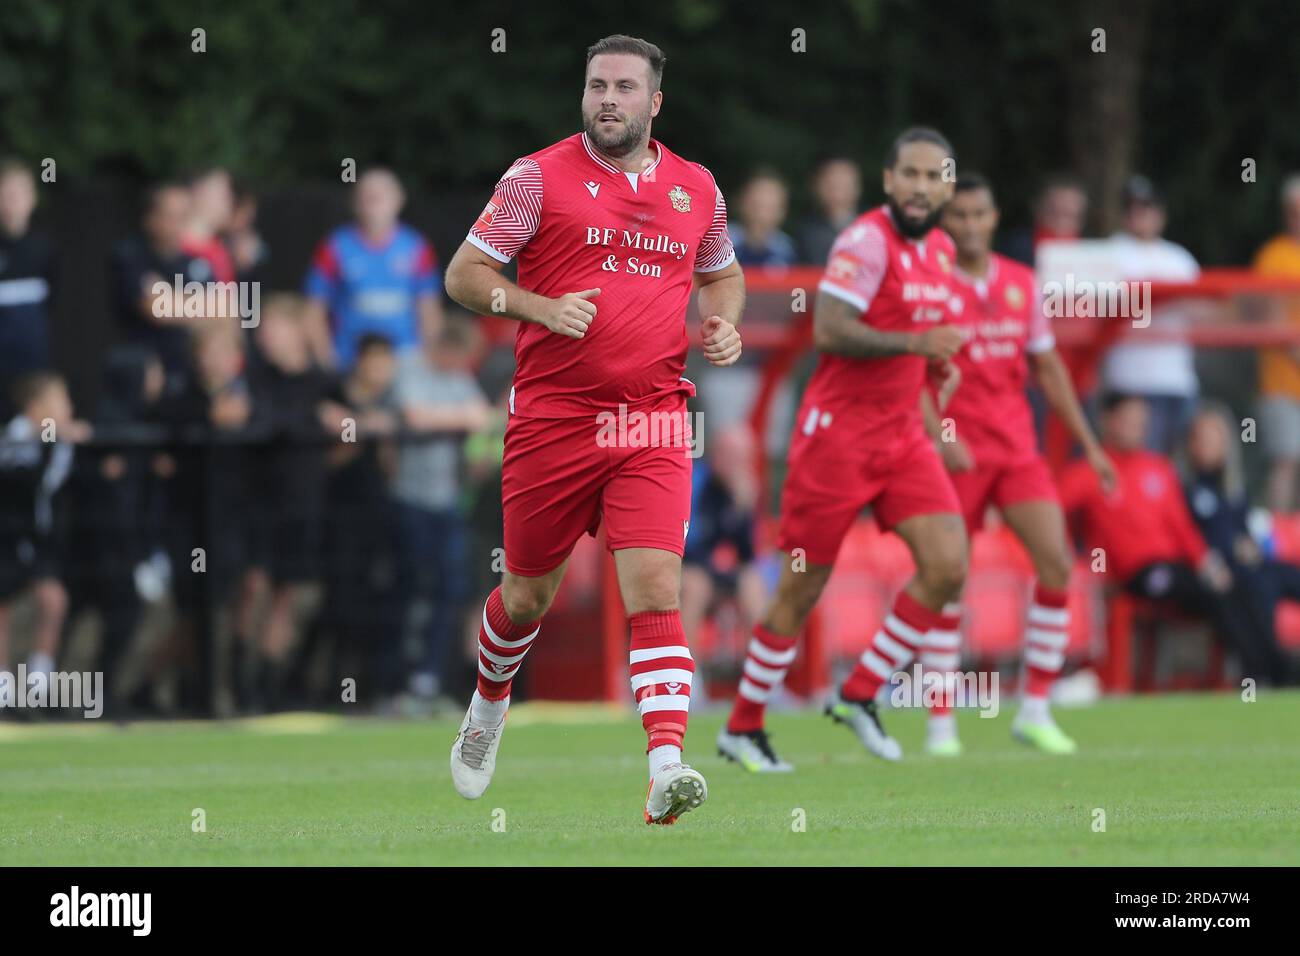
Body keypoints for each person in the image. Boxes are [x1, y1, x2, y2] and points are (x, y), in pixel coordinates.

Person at [442, 34, 744, 824]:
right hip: (552, 419)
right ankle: (486, 708)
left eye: (623, 87)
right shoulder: (535, 177)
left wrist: (725, 324)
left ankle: (666, 765)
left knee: (656, 586)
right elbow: (464, 276)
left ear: (654, 103)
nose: (607, 98)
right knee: (527, 594)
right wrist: (539, 307)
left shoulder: (697, 188)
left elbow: (724, 273)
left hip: (653, 419)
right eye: (596, 85)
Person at [717, 127, 966, 772]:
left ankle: (859, 693)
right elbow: (829, 330)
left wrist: (939, 389)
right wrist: (918, 347)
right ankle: (742, 727)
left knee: (948, 565)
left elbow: (925, 347)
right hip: (837, 439)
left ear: (947, 186)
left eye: (932, 176)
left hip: (902, 438)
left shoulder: (942, 250)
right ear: (887, 181)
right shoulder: (864, 240)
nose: (919, 186)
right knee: (802, 587)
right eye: (908, 174)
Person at [921, 173, 1116, 756]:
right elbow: (908, 374)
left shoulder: (1021, 283)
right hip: (959, 451)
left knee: (1057, 561)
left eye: (979, 214)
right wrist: (940, 434)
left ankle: (1034, 709)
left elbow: (1049, 370)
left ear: (995, 216)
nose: (971, 225)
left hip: (1016, 450)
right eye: (959, 216)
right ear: (944, 222)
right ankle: (940, 723)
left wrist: (1092, 444)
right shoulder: (929, 287)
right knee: (948, 577)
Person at [1059, 395, 1281, 684]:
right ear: (1108, 422)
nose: (1136, 427)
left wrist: (1207, 564)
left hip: (1177, 567)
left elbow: (1182, 527)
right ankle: (1264, 673)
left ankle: (1271, 669)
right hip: (1138, 573)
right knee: (1213, 592)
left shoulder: (1158, 468)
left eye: (1141, 421)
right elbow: (1052, 509)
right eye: (1128, 420)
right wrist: (1077, 560)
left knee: (1235, 585)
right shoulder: (1090, 470)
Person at [389, 320, 490, 706]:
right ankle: (397, 682)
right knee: (412, 588)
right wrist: (460, 417)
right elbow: (415, 417)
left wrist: (458, 418)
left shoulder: (458, 377)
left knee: (451, 589)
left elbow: (481, 417)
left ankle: (430, 680)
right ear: (446, 348)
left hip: (448, 501)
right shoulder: (410, 365)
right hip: (408, 498)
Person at [1183, 404, 1297, 685]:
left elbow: (1247, 533)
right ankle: (1274, 669)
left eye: (1215, 438)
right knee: (1255, 588)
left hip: (1253, 565)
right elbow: (1194, 538)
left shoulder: (1235, 490)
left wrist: (1252, 547)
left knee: (1277, 575)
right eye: (1203, 438)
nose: (1208, 446)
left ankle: (1279, 668)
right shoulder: (1189, 489)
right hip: (1229, 573)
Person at [1099, 175, 1202, 453]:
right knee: (1140, 465)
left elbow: (1202, 310)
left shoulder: (1179, 257)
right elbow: (1096, 309)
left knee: (1173, 469)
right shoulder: (1109, 252)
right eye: (1132, 207)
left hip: (1177, 379)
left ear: (1161, 213)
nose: (1140, 214)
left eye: (1147, 206)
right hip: (1129, 379)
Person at [304, 168, 445, 370]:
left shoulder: (417, 247)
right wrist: (326, 358)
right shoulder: (335, 247)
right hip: (350, 361)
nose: (374, 202)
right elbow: (314, 307)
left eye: (381, 195)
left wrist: (428, 358)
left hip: (404, 362)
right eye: (367, 196)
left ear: (399, 199)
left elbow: (429, 309)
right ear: (355, 202)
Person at [0, 373, 80, 709]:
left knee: (53, 600)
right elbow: (21, 478)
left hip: (38, 540)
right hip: (7, 537)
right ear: (36, 408)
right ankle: (3, 691)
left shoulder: (61, 442)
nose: (68, 410)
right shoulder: (15, 437)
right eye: (59, 403)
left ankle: (38, 690)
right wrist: (49, 439)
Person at [680, 423, 767, 664]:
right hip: (686, 568)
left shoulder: (743, 491)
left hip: (717, 572)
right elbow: (689, 543)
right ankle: (689, 679)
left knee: (752, 583)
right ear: (716, 454)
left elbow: (748, 554)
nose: (734, 463)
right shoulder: (696, 480)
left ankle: (758, 680)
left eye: (741, 457)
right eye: (729, 454)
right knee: (696, 585)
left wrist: (742, 511)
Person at [110, 182, 202, 385]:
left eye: (184, 216)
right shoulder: (130, 256)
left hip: (192, 373)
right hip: (146, 375)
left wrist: (169, 297)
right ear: (150, 219)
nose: (179, 224)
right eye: (171, 216)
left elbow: (223, 310)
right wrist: (196, 305)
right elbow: (157, 308)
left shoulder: (196, 261)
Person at [1252, 174, 1300, 512]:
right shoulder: (1273, 256)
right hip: (1282, 385)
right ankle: (1282, 543)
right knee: (1285, 460)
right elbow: (1270, 316)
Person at [0, 159, 56, 406]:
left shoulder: (43, 249)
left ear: (32, 198)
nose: (13, 201)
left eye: (19, 193)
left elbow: (53, 300)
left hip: (32, 361)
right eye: (6, 193)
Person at [1001, 174, 1088, 267]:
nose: (1060, 222)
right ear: (1037, 209)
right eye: (1053, 212)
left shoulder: (1091, 251)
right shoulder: (1014, 248)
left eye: (1069, 215)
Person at [796, 156, 863, 266]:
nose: (836, 190)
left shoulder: (873, 230)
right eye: (830, 183)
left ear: (857, 187)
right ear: (817, 187)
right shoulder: (806, 233)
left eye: (844, 183)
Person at [728, 168, 797, 268]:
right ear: (740, 203)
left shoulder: (787, 250)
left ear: (783, 211)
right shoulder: (720, 241)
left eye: (771, 206)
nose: (762, 214)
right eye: (756, 204)